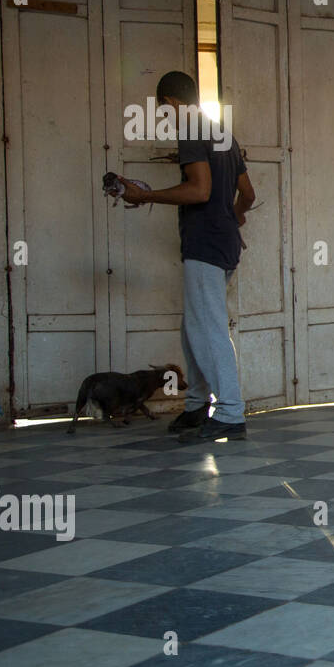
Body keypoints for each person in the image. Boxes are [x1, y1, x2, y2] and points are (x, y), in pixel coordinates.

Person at [118, 71, 254, 441]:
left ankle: (230, 412)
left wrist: (144, 197)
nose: (166, 117)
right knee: (192, 326)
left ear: (172, 103)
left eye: (164, 111)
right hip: (223, 242)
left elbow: (199, 191)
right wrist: (234, 218)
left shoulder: (192, 130)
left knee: (207, 328)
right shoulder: (222, 131)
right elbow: (249, 194)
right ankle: (197, 405)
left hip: (205, 245)